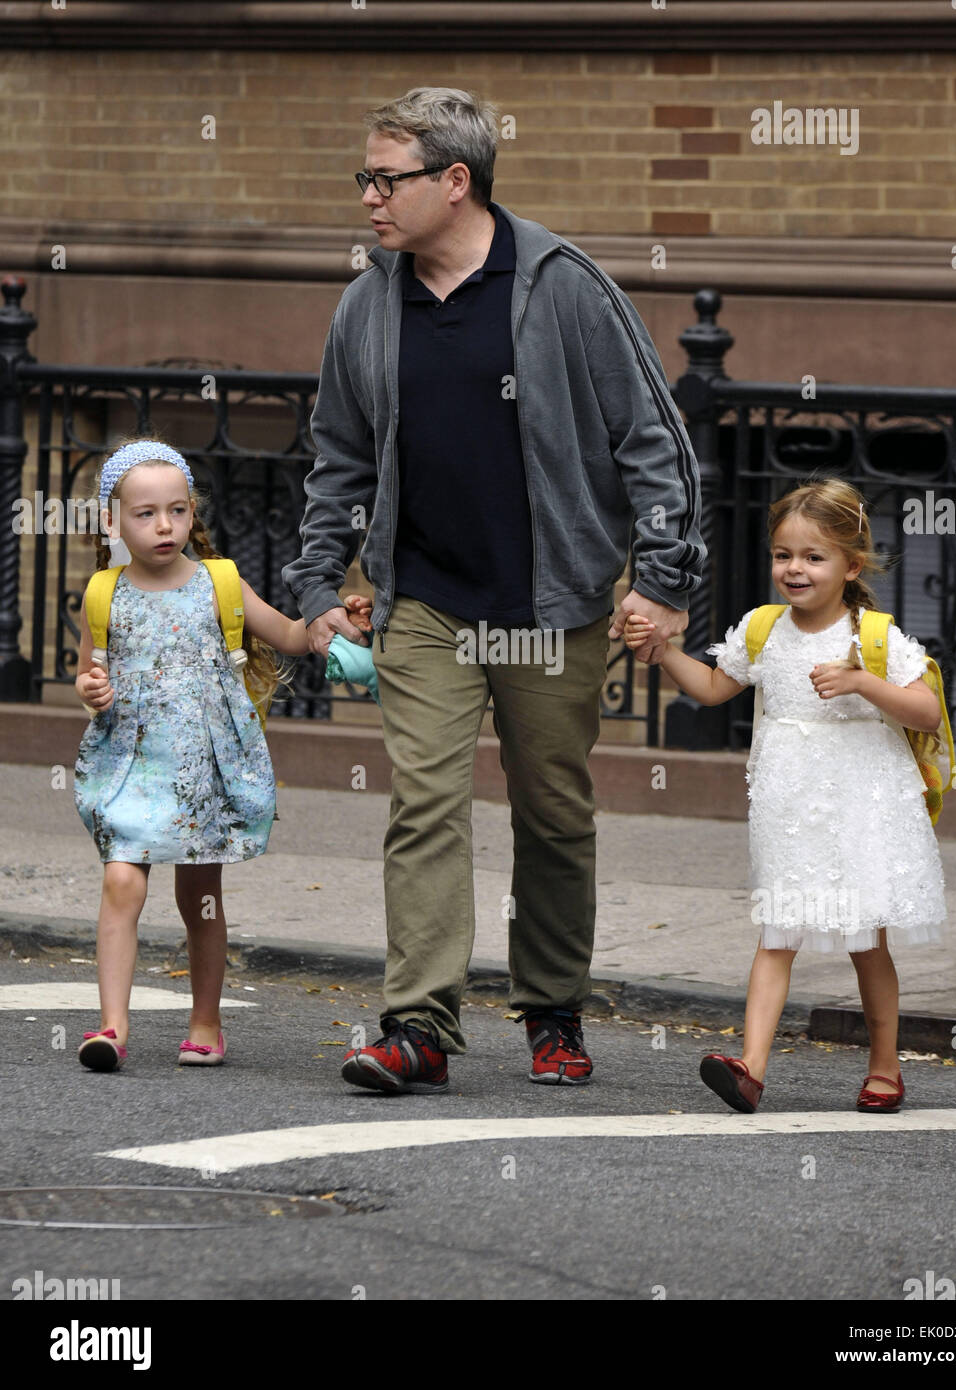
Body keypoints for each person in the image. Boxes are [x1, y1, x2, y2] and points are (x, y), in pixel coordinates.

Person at [282, 87, 704, 1092]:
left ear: (455, 181)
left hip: (551, 603)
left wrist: (665, 577)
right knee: (424, 804)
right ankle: (417, 1025)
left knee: (553, 810)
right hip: (423, 600)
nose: (370, 200)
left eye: (388, 180)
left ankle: (552, 1009)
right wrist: (313, 582)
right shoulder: (369, 301)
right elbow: (338, 455)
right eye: (366, 179)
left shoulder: (563, 287)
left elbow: (655, 441)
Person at [625, 478, 946, 1114]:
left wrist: (861, 682)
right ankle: (750, 1068)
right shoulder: (763, 629)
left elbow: (927, 712)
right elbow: (716, 688)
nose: (794, 569)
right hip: (789, 806)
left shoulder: (872, 636)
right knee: (778, 933)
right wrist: (664, 654)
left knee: (866, 942)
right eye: (783, 555)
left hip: (860, 806)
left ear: (851, 565)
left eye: (813, 556)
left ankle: (885, 1069)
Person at [72, 438, 331, 1071]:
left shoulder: (222, 582)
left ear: (194, 513)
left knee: (200, 898)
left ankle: (206, 1021)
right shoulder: (103, 594)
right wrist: (92, 690)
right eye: (145, 513)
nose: (164, 526)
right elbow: (88, 677)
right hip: (133, 763)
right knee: (120, 881)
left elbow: (294, 636)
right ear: (111, 521)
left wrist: (332, 620)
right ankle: (110, 1027)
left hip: (203, 773)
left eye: (178, 510)